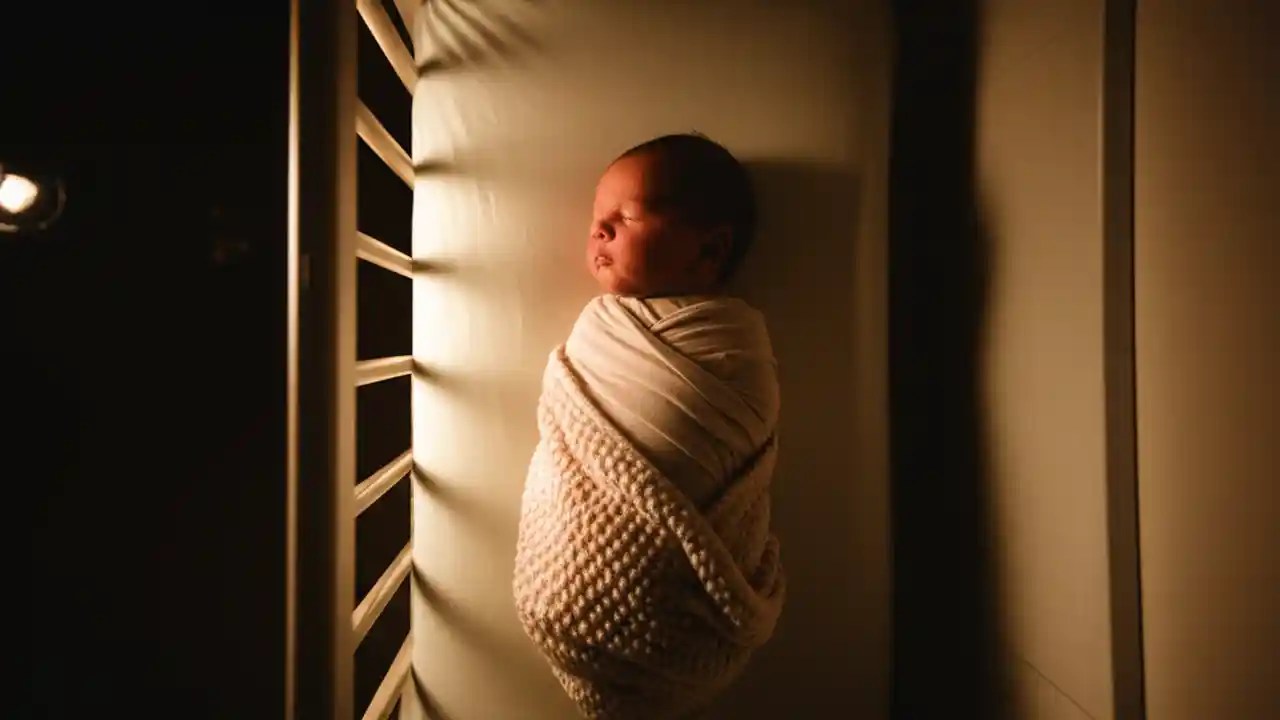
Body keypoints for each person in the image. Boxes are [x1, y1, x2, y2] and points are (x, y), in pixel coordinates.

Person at [513, 134, 786, 719]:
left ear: (709, 252)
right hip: (566, 569)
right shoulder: (601, 327)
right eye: (596, 220)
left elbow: (740, 438)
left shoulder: (731, 345)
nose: (598, 232)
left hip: (687, 603)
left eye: (624, 218)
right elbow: (570, 434)